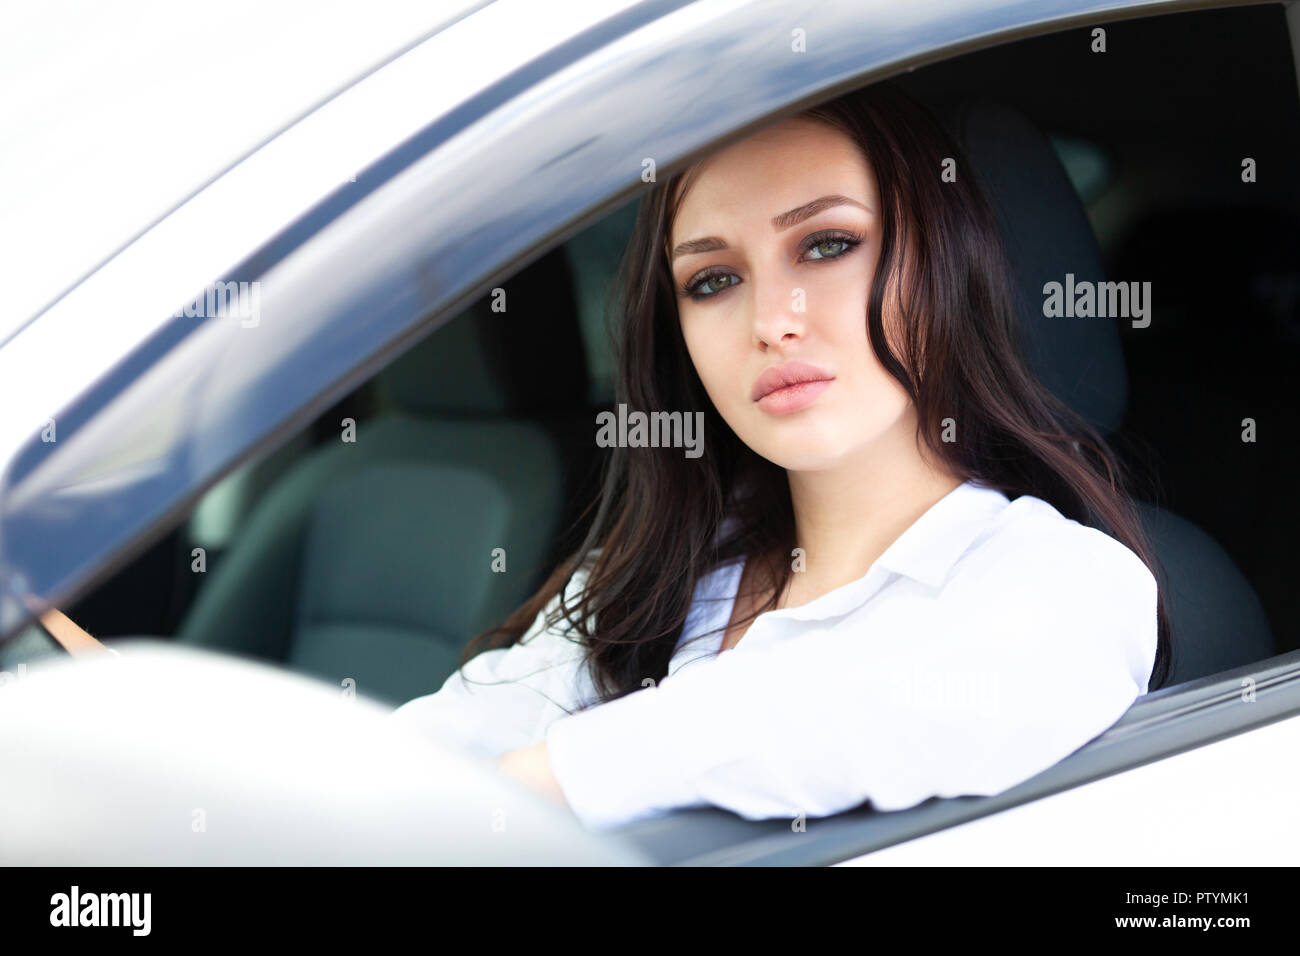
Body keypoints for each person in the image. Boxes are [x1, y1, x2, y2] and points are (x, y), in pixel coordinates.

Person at [390, 82, 1170, 831]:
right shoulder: (653, 576)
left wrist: (544, 781)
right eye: (713, 279)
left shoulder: (1065, 581)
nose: (771, 321)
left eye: (827, 245)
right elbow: (431, 751)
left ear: (942, 264)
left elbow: (871, 713)